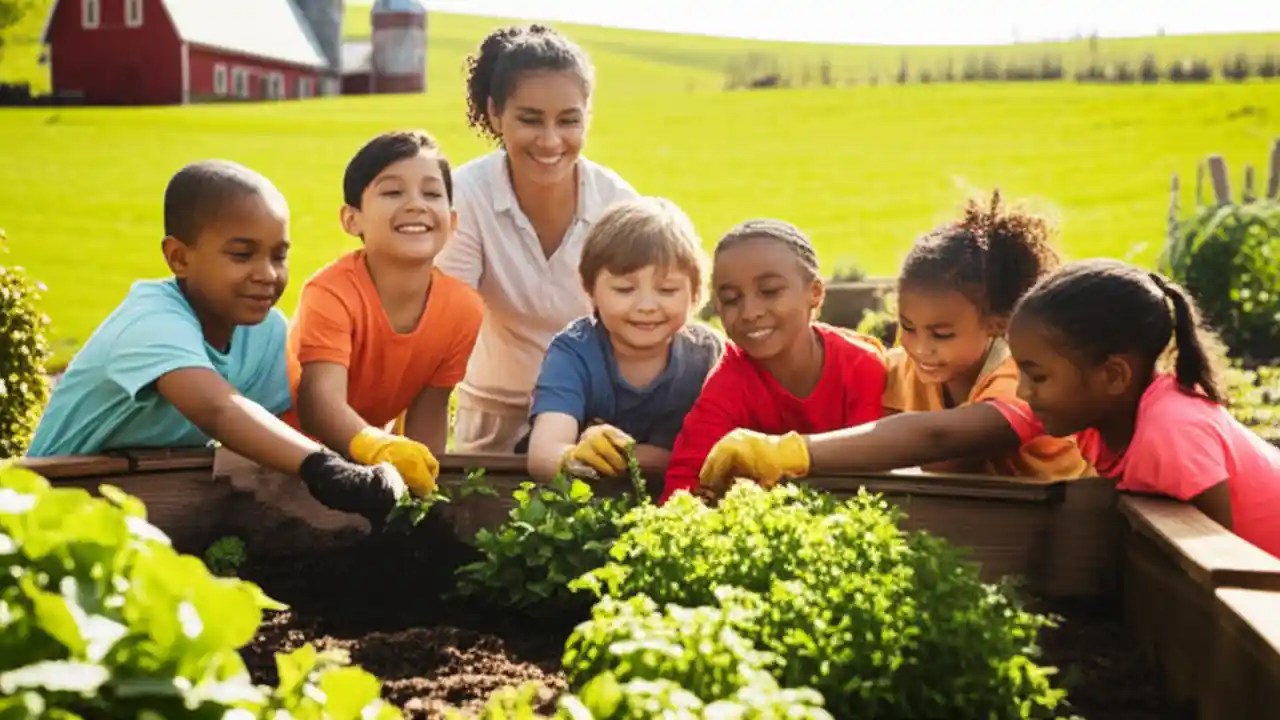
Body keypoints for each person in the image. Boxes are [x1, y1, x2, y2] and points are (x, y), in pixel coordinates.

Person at [25, 160, 404, 521]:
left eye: (279, 256)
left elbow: (305, 414)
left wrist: (374, 445)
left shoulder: (266, 331)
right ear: (179, 258)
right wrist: (324, 469)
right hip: (51, 506)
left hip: (150, 504)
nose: (267, 274)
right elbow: (219, 409)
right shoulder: (151, 322)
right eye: (242, 255)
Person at [695, 192, 1091, 493]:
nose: (920, 347)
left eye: (941, 334)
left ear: (996, 323)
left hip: (1067, 520)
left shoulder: (1024, 379)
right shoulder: (904, 371)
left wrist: (788, 452)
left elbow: (940, 437)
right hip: (983, 518)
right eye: (907, 327)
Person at [436, 24, 639, 453]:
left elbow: (641, 325)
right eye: (530, 120)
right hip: (493, 421)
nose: (550, 141)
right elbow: (442, 324)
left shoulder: (616, 204)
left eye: (568, 121)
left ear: (587, 115)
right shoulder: (465, 197)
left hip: (595, 422)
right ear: (496, 114)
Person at [1006, 259, 1280, 558]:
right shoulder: (1104, 423)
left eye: (1038, 377)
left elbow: (1221, 562)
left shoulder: (1172, 432)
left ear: (1113, 376)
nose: (1022, 391)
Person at [285, 130, 483, 497]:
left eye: (432, 193)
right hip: (288, 459)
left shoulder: (463, 310)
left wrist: (428, 493)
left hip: (369, 464)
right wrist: (377, 446)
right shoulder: (330, 293)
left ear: (452, 221)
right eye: (393, 192)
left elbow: (429, 413)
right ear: (351, 220)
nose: (415, 204)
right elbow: (318, 405)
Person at [660, 219, 888, 503]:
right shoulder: (729, 380)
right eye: (731, 299)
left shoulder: (862, 366)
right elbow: (683, 485)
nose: (750, 312)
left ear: (814, 293)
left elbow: (877, 473)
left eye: (769, 292)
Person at [524, 197, 723, 482]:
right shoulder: (573, 352)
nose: (646, 306)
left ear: (695, 294)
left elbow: (720, 449)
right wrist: (572, 456)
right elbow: (543, 455)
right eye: (624, 289)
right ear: (590, 290)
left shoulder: (708, 354)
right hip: (585, 500)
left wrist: (631, 455)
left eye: (667, 290)